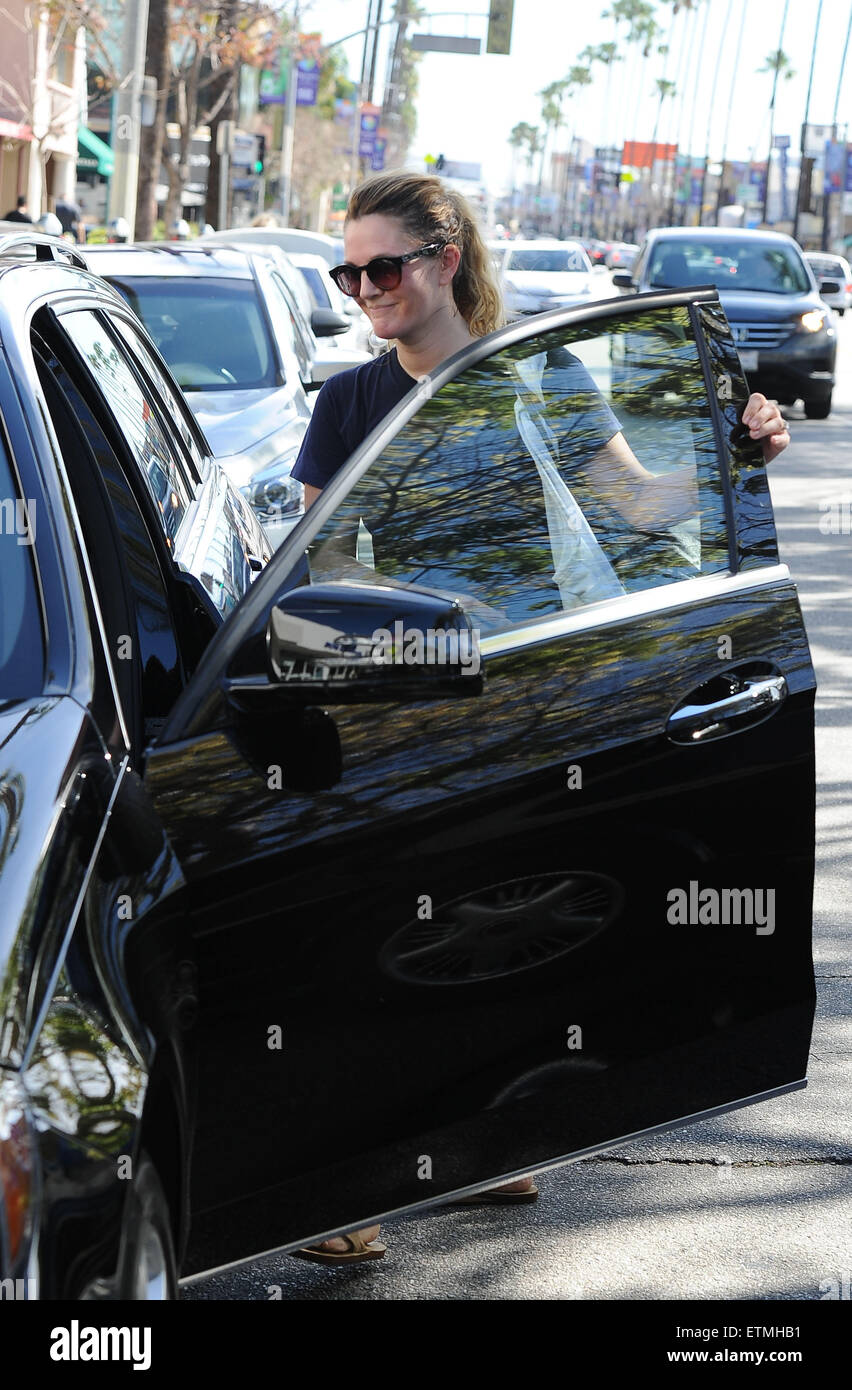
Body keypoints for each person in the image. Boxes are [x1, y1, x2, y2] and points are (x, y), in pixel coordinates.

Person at [288, 171, 790, 1265]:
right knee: (387, 935)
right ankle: (345, 1193)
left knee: (503, 922)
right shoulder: (351, 403)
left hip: (537, 684)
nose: (365, 288)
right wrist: (408, 622)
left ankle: (483, 1135)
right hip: (413, 684)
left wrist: (736, 447)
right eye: (351, 271)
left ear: (446, 258)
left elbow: (640, 504)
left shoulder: (537, 374)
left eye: (385, 266)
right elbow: (319, 565)